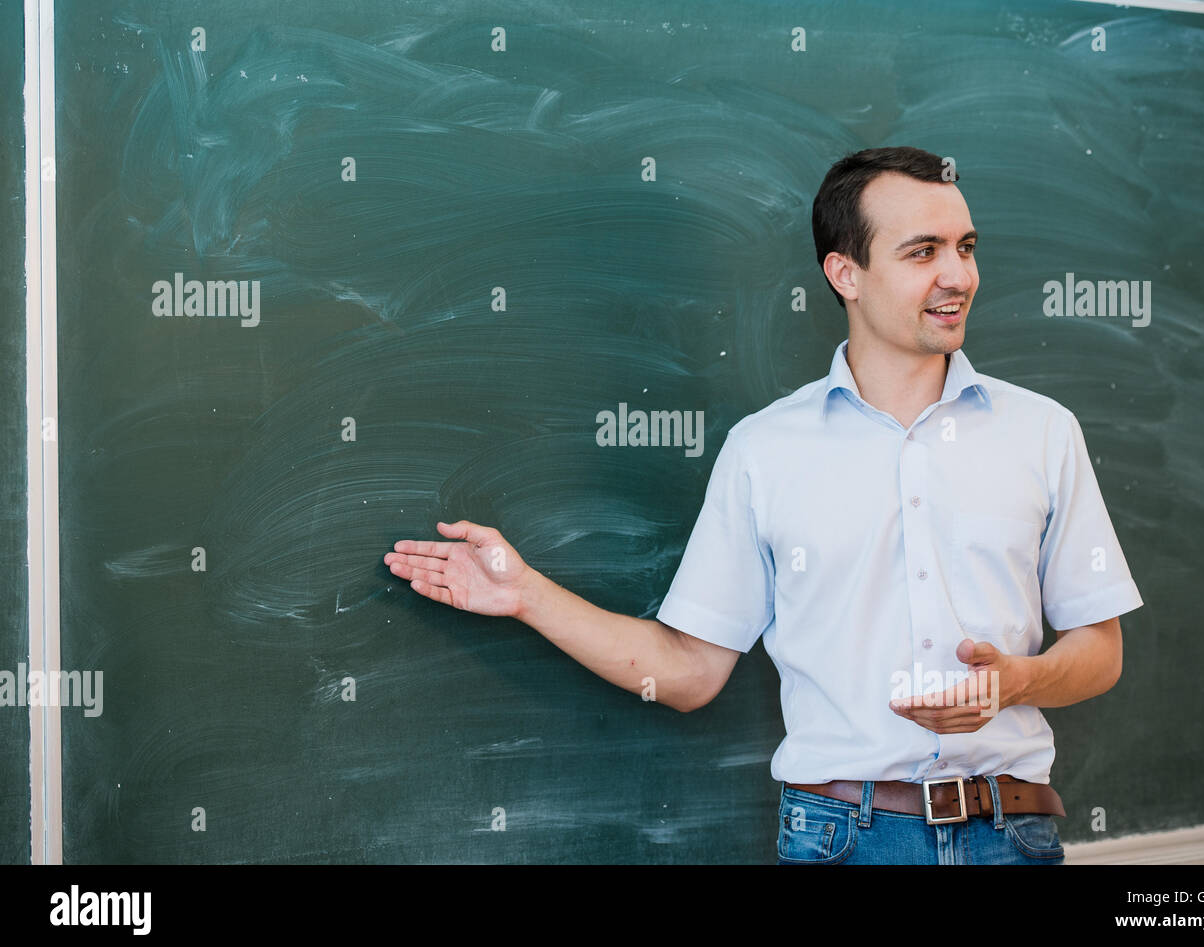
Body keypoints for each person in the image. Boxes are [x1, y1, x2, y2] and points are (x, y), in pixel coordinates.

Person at [382, 145, 1144, 864]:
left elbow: (1099, 649)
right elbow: (687, 670)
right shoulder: (766, 450)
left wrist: (1017, 680)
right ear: (845, 272)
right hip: (841, 837)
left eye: (966, 247)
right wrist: (526, 595)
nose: (959, 275)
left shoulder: (1042, 432)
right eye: (923, 252)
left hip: (1010, 834)